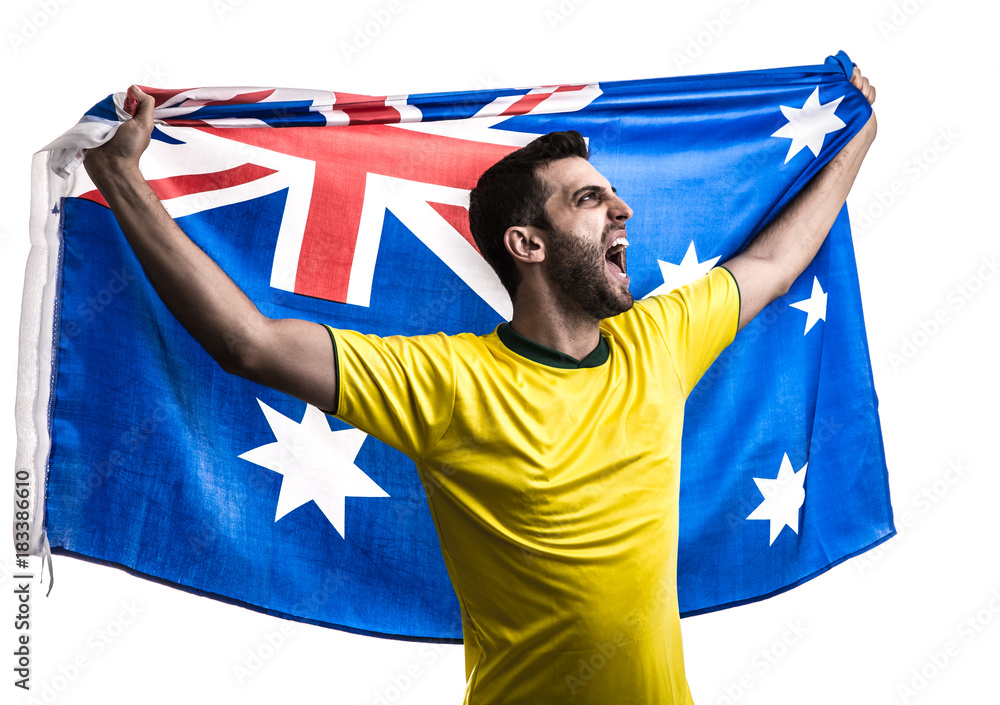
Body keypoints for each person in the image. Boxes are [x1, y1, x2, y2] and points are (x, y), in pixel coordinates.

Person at [83, 68, 876, 704]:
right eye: (591, 199)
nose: (624, 210)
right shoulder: (451, 381)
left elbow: (772, 265)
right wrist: (123, 180)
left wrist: (857, 134)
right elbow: (248, 343)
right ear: (526, 242)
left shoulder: (657, 342)